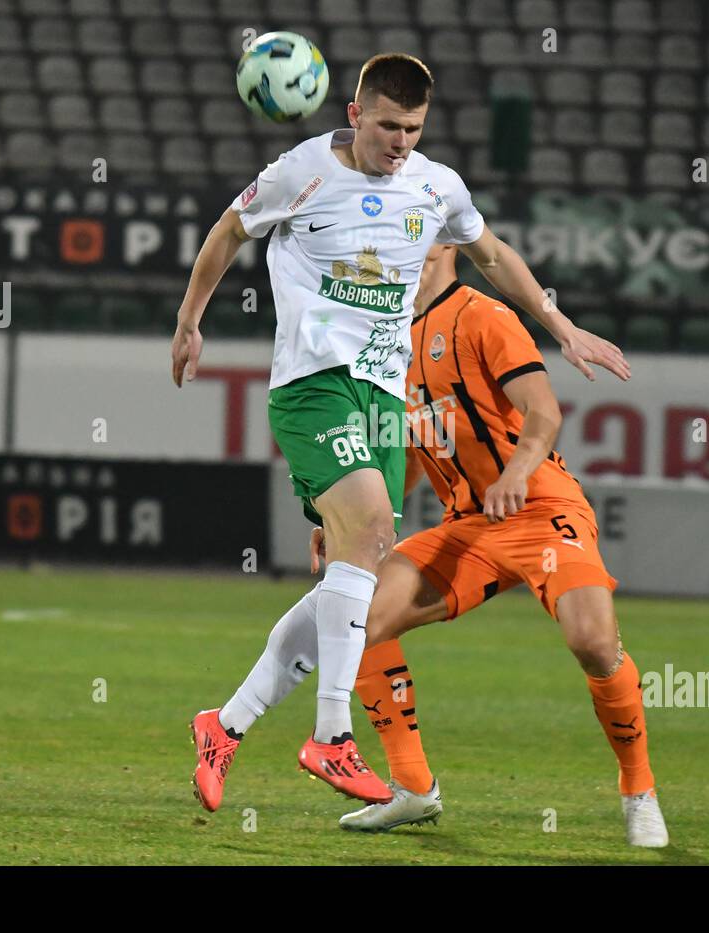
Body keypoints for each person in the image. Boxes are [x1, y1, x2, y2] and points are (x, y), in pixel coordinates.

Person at [176, 53, 630, 810]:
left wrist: (560, 324)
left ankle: (225, 724)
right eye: (387, 126)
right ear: (355, 115)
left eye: (413, 130)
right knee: (373, 534)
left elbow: (491, 254)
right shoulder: (300, 171)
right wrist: (190, 323)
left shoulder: (436, 183)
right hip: (315, 386)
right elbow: (228, 231)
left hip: (384, 400)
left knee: (349, 575)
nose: (399, 143)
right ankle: (331, 737)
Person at [326, 244, 667, 846]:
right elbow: (405, 448)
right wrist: (363, 521)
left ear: (446, 242)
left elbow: (543, 412)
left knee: (593, 643)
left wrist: (516, 472)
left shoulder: (484, 316)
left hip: (540, 507)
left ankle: (638, 790)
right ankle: (413, 789)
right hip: (469, 526)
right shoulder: (383, 336)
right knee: (358, 619)